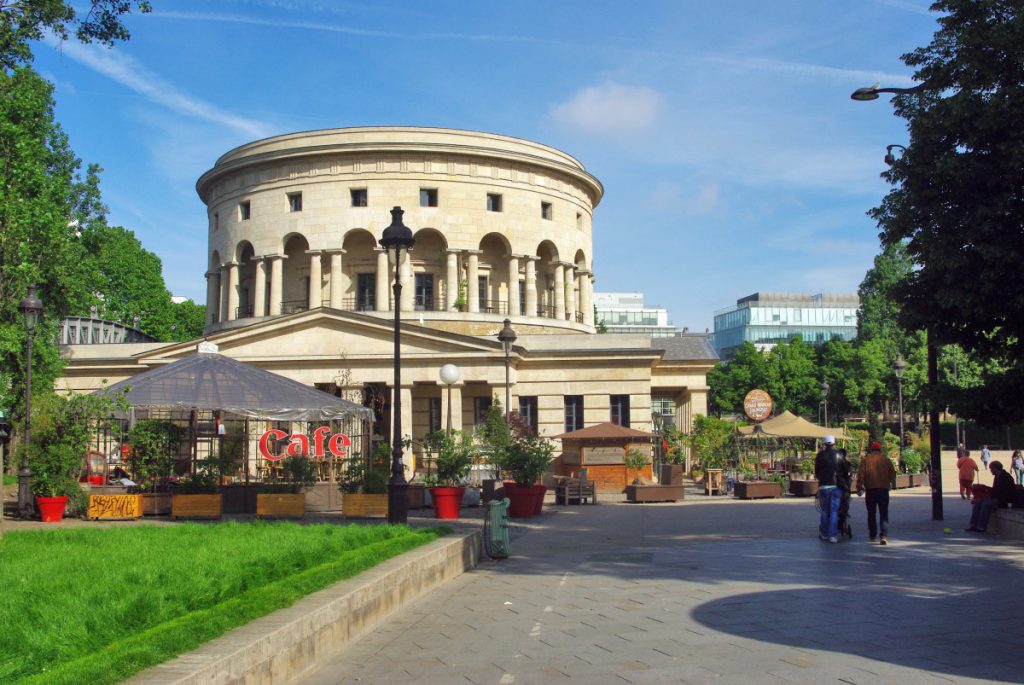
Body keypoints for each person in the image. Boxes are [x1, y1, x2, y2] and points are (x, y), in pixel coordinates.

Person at [854, 442, 897, 545]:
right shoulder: (886, 460)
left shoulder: (865, 460)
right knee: (884, 513)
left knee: (871, 513)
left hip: (870, 490)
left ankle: (872, 534)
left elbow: (861, 475)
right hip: (883, 489)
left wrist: (859, 487)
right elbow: (893, 474)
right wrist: (892, 484)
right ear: (880, 450)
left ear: (871, 450)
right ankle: (884, 536)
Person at [966, 461, 1015, 532]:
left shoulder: (1006, 477)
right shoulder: (997, 476)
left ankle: (981, 527)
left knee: (985, 504)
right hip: (996, 498)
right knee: (978, 502)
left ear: (995, 468)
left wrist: (992, 494)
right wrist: (986, 489)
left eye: (991, 469)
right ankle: (973, 525)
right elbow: (995, 490)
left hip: (1003, 500)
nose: (990, 470)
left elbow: (1005, 492)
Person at [814, 435, 844, 543]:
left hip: (823, 486)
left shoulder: (820, 455)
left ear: (825, 443)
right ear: (834, 443)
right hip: (835, 486)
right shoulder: (839, 455)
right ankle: (833, 535)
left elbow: (816, 471)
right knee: (834, 511)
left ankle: (823, 534)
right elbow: (844, 470)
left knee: (825, 511)